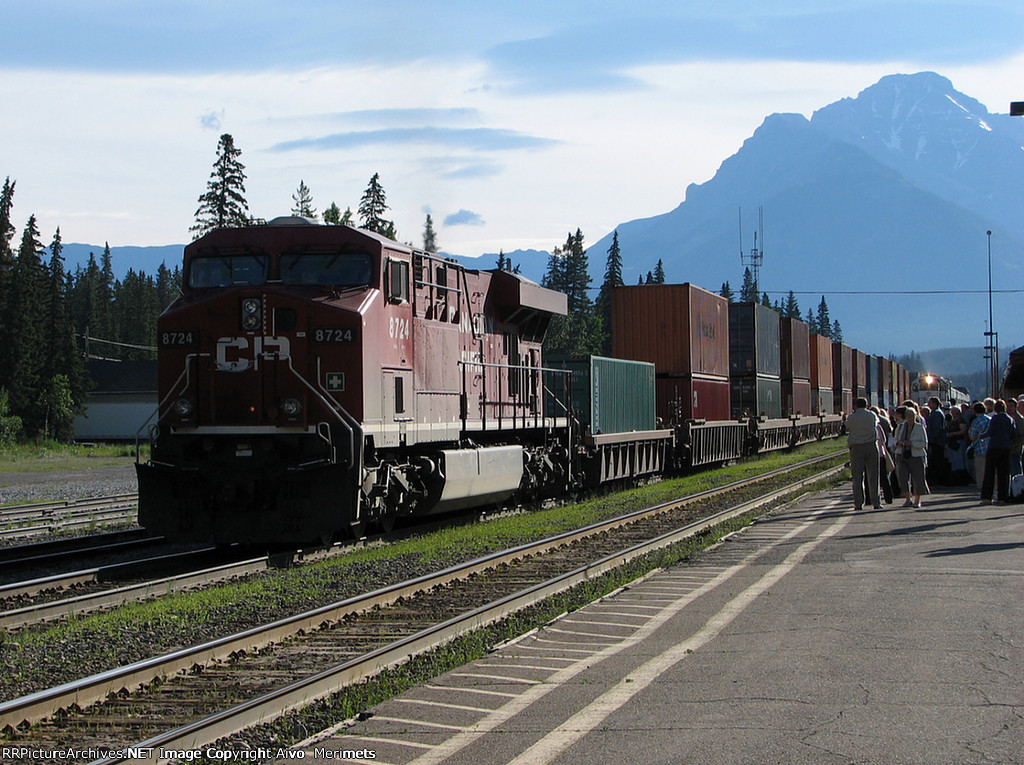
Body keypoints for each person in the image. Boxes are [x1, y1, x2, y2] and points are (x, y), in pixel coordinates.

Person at [847, 397, 881, 510]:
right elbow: (876, 424)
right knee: (873, 475)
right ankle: (876, 502)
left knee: (857, 476)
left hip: (856, 447)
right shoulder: (872, 415)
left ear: (856, 405)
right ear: (866, 405)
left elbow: (847, 427)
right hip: (871, 445)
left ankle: (858, 503)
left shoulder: (852, 417)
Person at [980, 399, 1017, 504]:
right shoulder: (1010, 419)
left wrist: (981, 436)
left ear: (995, 409)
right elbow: (1013, 434)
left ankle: (987, 497)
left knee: (990, 472)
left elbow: (990, 432)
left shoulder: (995, 418)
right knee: (1004, 473)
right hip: (1005, 448)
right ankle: (1002, 497)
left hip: (994, 447)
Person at [894, 405, 929, 508]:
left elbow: (924, 443)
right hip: (902, 454)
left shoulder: (920, 427)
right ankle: (907, 498)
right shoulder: (900, 427)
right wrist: (898, 443)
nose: (910, 418)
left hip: (916, 455)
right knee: (903, 477)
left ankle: (917, 500)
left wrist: (912, 444)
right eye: (908, 416)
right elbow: (894, 439)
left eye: (912, 416)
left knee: (918, 478)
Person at [925, 396, 949, 484]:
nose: (928, 404)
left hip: (936, 442)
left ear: (934, 404)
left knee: (936, 461)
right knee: (938, 461)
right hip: (939, 441)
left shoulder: (935, 414)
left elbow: (936, 428)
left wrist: (932, 439)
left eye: (930, 403)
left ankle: (938, 480)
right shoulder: (938, 413)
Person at [967, 401, 991, 489]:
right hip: (990, 448)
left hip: (980, 449)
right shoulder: (990, 419)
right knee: (990, 471)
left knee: (981, 472)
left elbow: (972, 437)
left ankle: (983, 490)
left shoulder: (976, 422)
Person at [945, 405, 970, 485]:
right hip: (951, 443)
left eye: (954, 412)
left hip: (959, 442)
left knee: (959, 460)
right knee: (953, 461)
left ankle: (961, 479)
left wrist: (952, 434)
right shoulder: (952, 421)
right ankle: (955, 478)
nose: (952, 413)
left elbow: (963, 431)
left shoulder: (960, 421)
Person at [1008, 397, 1024, 478]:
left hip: (1015, 450)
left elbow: (1022, 436)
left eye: (1011, 406)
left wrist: (1015, 445)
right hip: (1006, 449)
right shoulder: (1006, 418)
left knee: (1016, 472)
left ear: (1015, 407)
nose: (1009, 408)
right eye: (1008, 406)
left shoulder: (1020, 420)